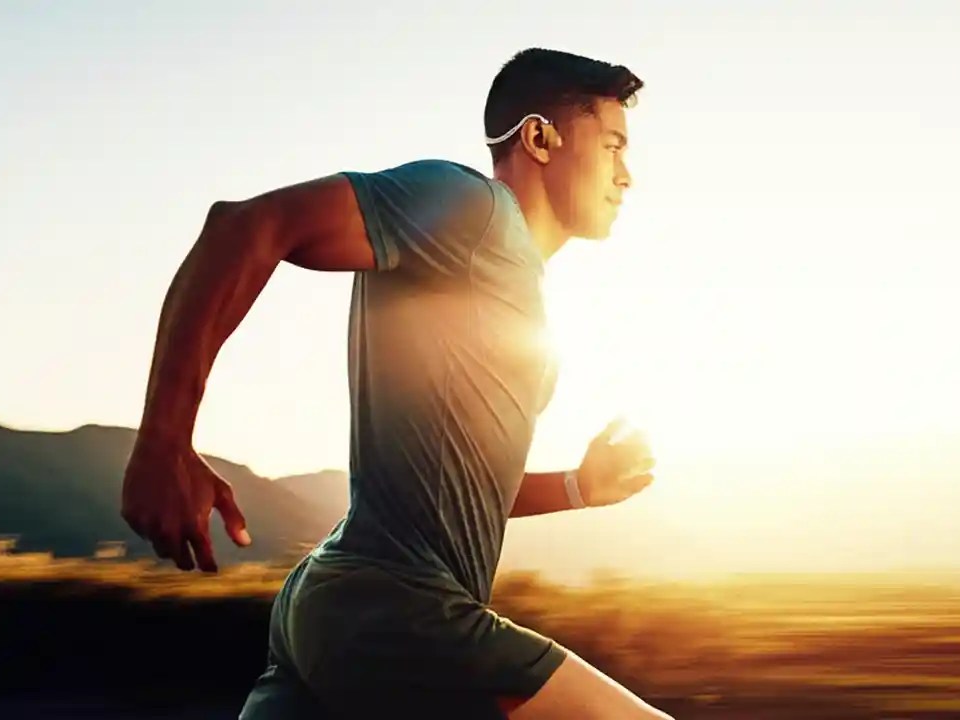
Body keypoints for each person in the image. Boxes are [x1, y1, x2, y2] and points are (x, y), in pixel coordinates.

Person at [119, 47, 674, 719]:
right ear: (538, 138)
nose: (626, 175)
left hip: (334, 608)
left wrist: (578, 488)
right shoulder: (473, 208)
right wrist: (164, 440)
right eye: (612, 146)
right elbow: (247, 225)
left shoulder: (502, 277)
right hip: (397, 607)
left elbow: (459, 488)